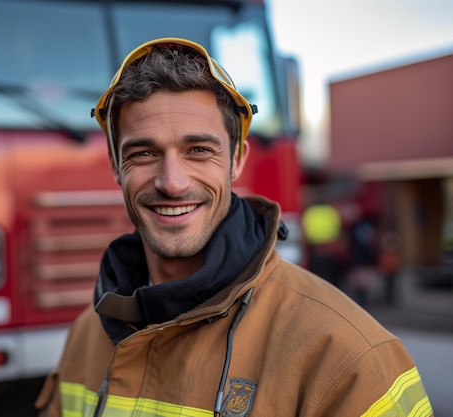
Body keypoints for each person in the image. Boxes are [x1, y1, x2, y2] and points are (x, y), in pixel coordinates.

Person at [35, 38, 432, 417]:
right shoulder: (89, 331)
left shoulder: (347, 356)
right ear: (116, 166)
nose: (172, 183)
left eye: (199, 151)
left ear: (237, 160)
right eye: (143, 153)